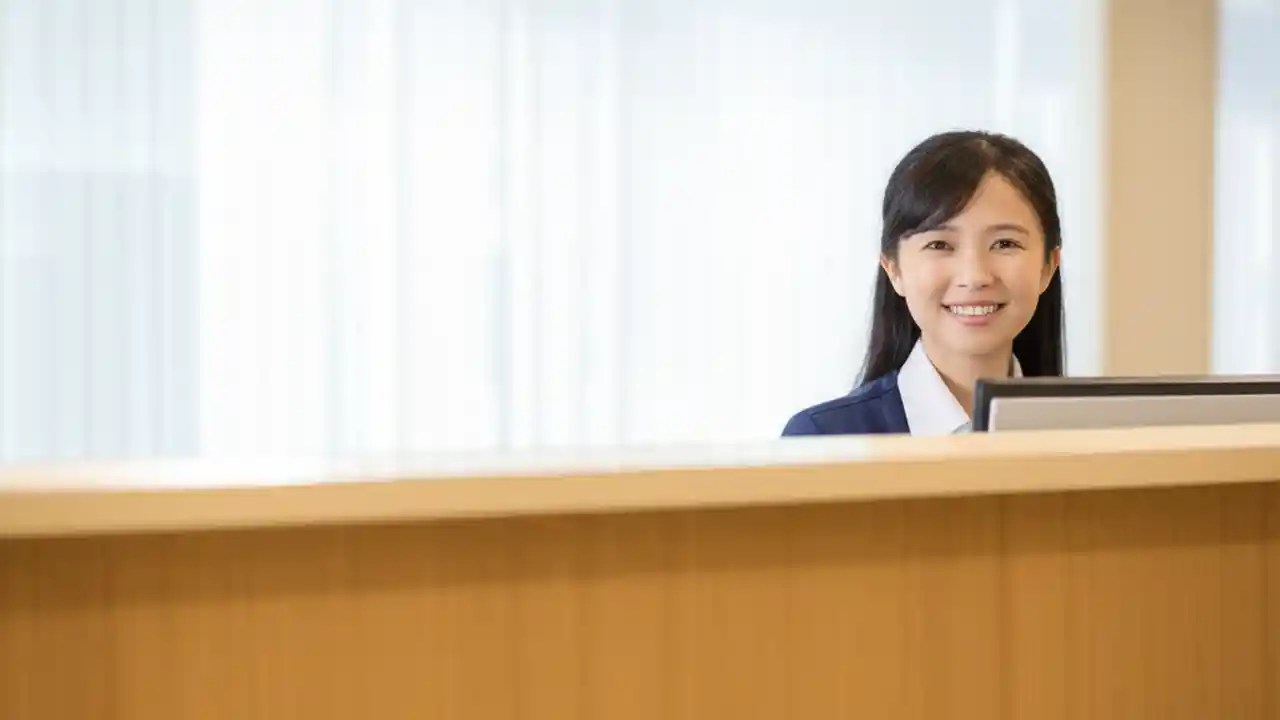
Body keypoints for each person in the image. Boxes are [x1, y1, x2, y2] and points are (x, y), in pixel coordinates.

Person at [783, 130, 1064, 436]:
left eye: (1004, 243)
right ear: (894, 269)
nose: (974, 276)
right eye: (940, 245)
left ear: (1048, 266)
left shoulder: (1088, 434)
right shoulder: (823, 439)